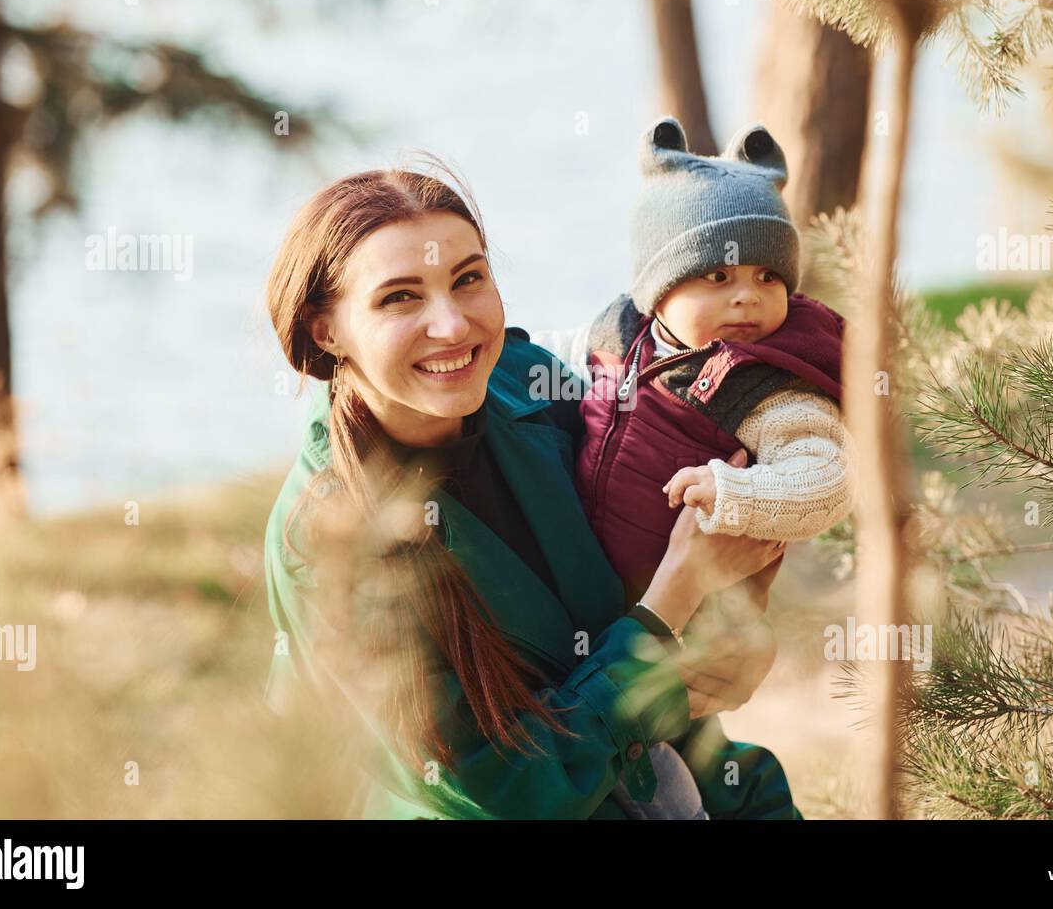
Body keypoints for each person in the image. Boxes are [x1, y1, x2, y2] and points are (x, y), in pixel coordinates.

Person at [262, 160, 802, 819]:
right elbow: (500, 791)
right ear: (326, 330)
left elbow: (653, 548)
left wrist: (732, 637)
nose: (454, 325)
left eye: (469, 280)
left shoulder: (531, 382)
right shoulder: (325, 540)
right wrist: (671, 603)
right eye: (400, 297)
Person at [534, 115, 853, 820]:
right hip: (593, 616)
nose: (748, 295)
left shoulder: (761, 385)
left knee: (658, 781)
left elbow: (828, 479)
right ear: (658, 286)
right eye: (717, 274)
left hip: (683, 639)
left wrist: (736, 491)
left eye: (768, 275)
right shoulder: (618, 337)